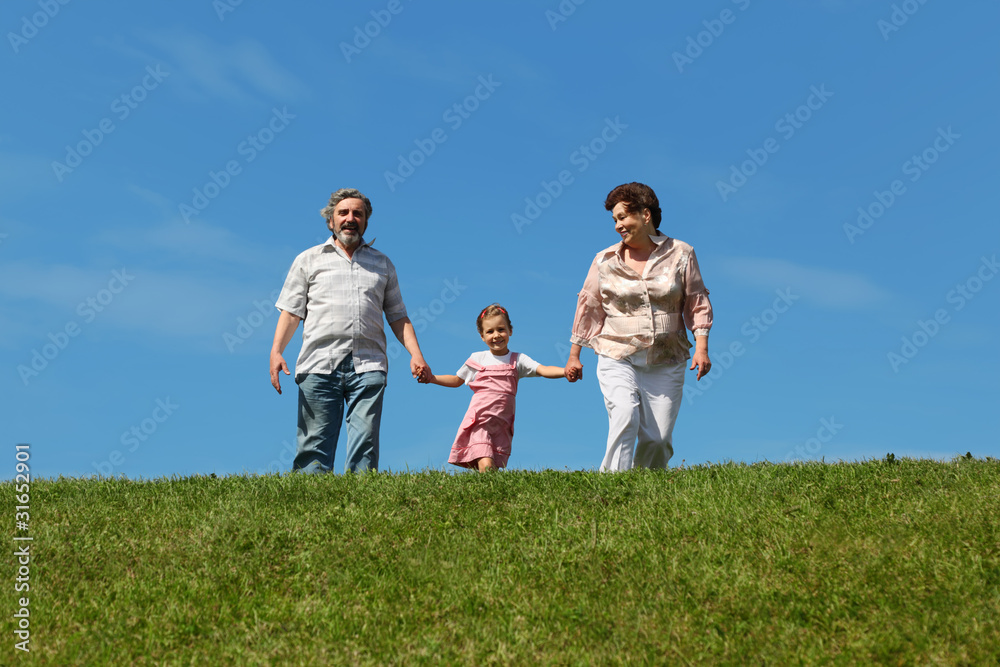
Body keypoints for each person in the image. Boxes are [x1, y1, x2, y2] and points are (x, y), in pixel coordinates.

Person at [269, 188, 430, 473]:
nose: (350, 218)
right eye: (343, 213)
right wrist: (277, 351)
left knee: (365, 443)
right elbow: (292, 312)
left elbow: (398, 316)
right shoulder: (308, 260)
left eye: (358, 214)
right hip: (318, 364)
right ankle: (310, 496)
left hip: (369, 364)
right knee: (314, 445)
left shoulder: (382, 264)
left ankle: (362, 497)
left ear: (366, 222)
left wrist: (416, 354)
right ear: (330, 221)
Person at [565, 182, 713, 471]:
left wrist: (702, 347)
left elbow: (696, 301)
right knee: (625, 416)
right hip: (616, 353)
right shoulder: (604, 260)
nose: (617, 225)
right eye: (614, 220)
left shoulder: (682, 253)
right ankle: (613, 484)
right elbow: (589, 307)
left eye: (623, 217)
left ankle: (646, 485)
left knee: (658, 440)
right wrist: (574, 355)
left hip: (667, 357)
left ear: (646, 215)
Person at [421, 304, 567, 472]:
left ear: (510, 330)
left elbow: (543, 369)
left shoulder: (518, 360)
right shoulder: (478, 358)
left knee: (493, 469)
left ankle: (486, 488)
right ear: (482, 336)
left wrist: (565, 371)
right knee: (486, 464)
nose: (496, 335)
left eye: (501, 329)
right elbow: (456, 380)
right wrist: (431, 378)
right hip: (480, 421)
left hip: (502, 424)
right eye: (490, 331)